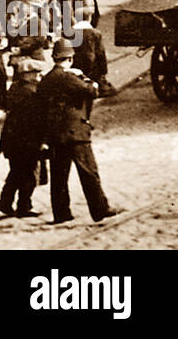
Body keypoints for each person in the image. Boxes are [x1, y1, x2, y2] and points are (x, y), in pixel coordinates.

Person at [38, 38, 115, 224]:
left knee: (59, 176)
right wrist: (83, 77)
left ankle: (61, 213)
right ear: (70, 58)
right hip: (77, 131)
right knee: (88, 171)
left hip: (55, 134)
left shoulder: (46, 80)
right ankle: (100, 209)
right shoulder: (71, 77)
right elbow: (92, 91)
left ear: (54, 57)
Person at [0, 52, 46, 218]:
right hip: (26, 142)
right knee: (30, 175)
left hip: (11, 141)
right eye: (36, 73)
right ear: (28, 75)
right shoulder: (32, 94)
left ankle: (5, 203)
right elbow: (34, 121)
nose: (39, 76)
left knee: (15, 173)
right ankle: (24, 206)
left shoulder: (15, 88)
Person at [69, 16, 114, 98]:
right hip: (93, 70)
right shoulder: (95, 33)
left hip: (76, 69)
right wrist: (103, 72)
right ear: (89, 18)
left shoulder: (70, 33)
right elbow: (101, 54)